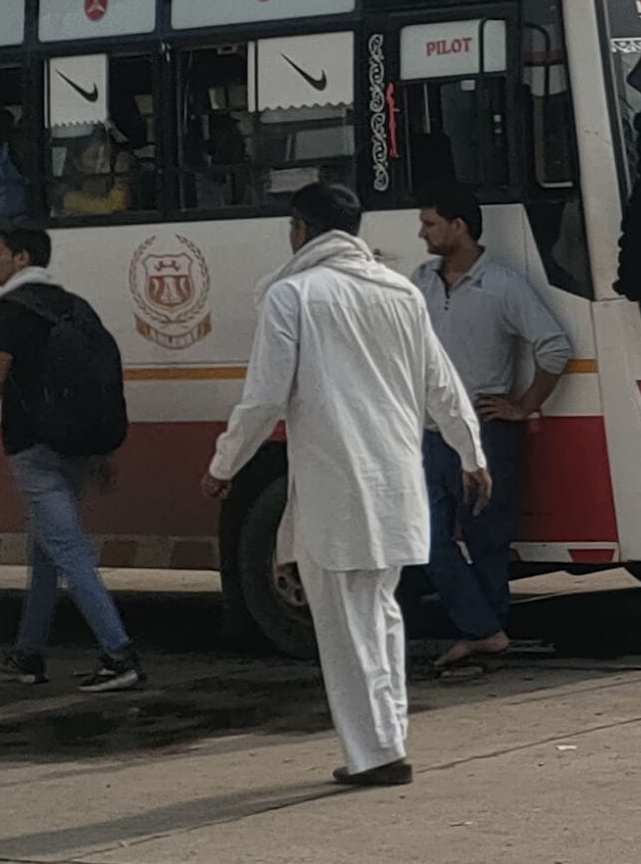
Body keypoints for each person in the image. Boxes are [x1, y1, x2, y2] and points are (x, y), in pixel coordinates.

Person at [202, 183, 485, 789]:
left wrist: (224, 465)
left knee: (347, 628)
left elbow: (264, 400)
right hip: (396, 485)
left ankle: (376, 754)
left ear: (302, 230)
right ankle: (388, 738)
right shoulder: (401, 292)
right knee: (381, 615)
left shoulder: (293, 294)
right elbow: (442, 385)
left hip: (335, 489)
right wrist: (472, 454)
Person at [409, 190, 578, 675]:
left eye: (430, 223)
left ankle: (483, 634)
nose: (422, 233)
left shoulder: (502, 284)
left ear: (459, 226)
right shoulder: (420, 281)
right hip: (429, 430)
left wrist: (523, 406)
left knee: (487, 541)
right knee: (426, 537)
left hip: (486, 431)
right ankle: (484, 629)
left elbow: (554, 347)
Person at [0, 226, 143, 693]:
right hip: (78, 445)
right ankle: (29, 653)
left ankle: (120, 654)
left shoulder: (6, 311)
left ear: (22, 258)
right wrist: (103, 449)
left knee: (66, 547)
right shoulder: (76, 306)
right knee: (47, 548)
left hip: (34, 448)